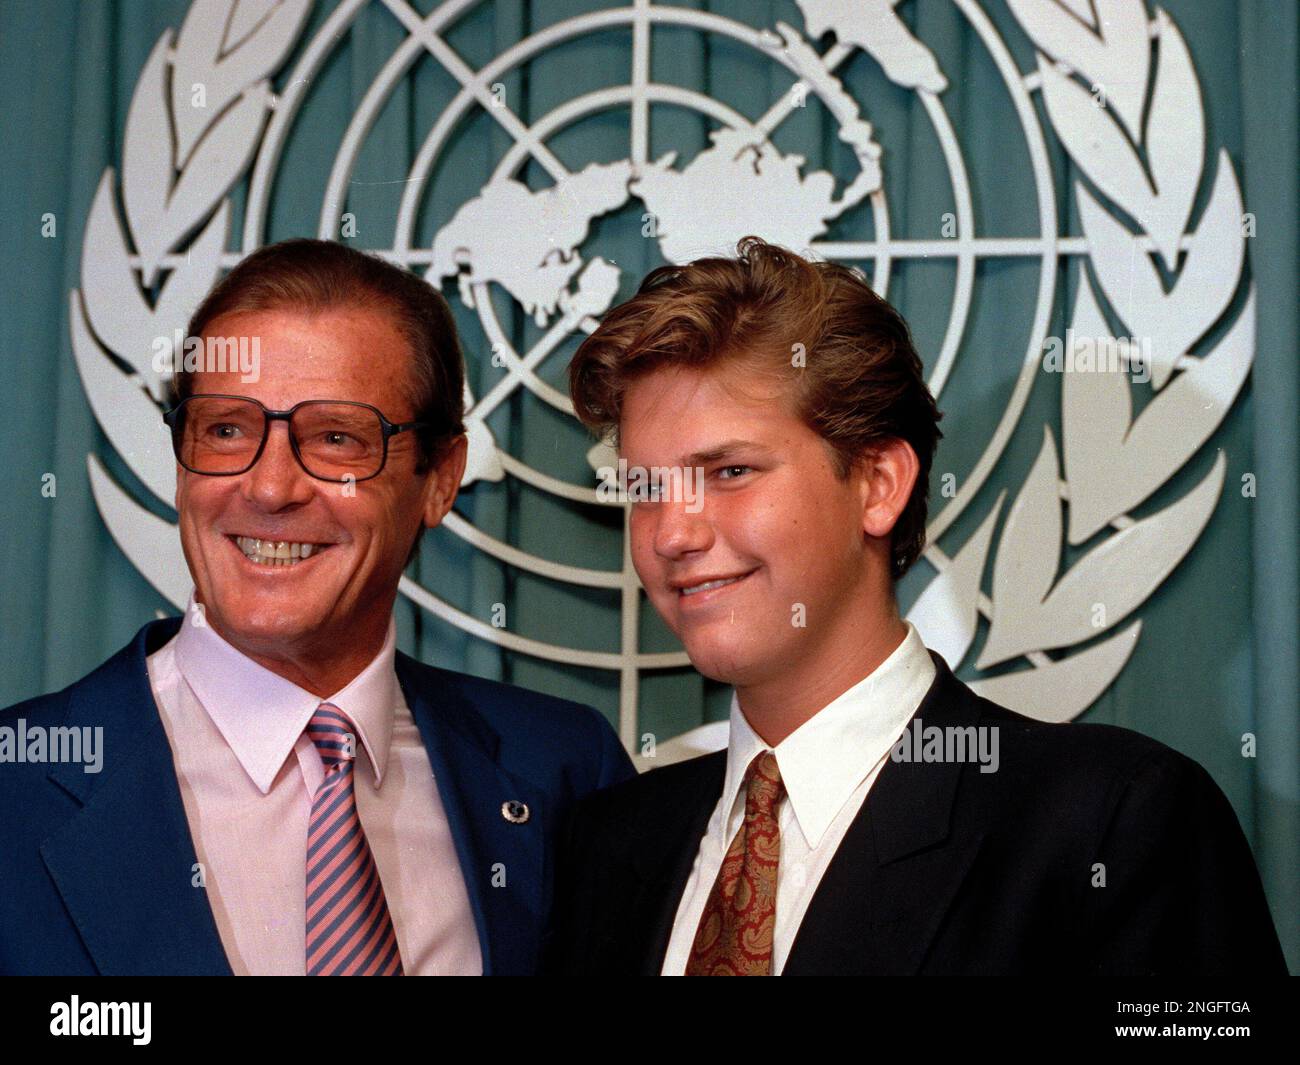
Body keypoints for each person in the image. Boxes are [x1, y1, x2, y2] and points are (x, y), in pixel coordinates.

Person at [551, 235, 1286, 976]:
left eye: (732, 470)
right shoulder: (607, 845)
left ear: (878, 484)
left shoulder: (1109, 823)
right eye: (645, 488)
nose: (673, 532)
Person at [0, 239, 632, 975]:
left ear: (439, 478)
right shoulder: (18, 787)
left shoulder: (563, 773)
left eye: (336, 438)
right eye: (227, 429)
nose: (270, 488)